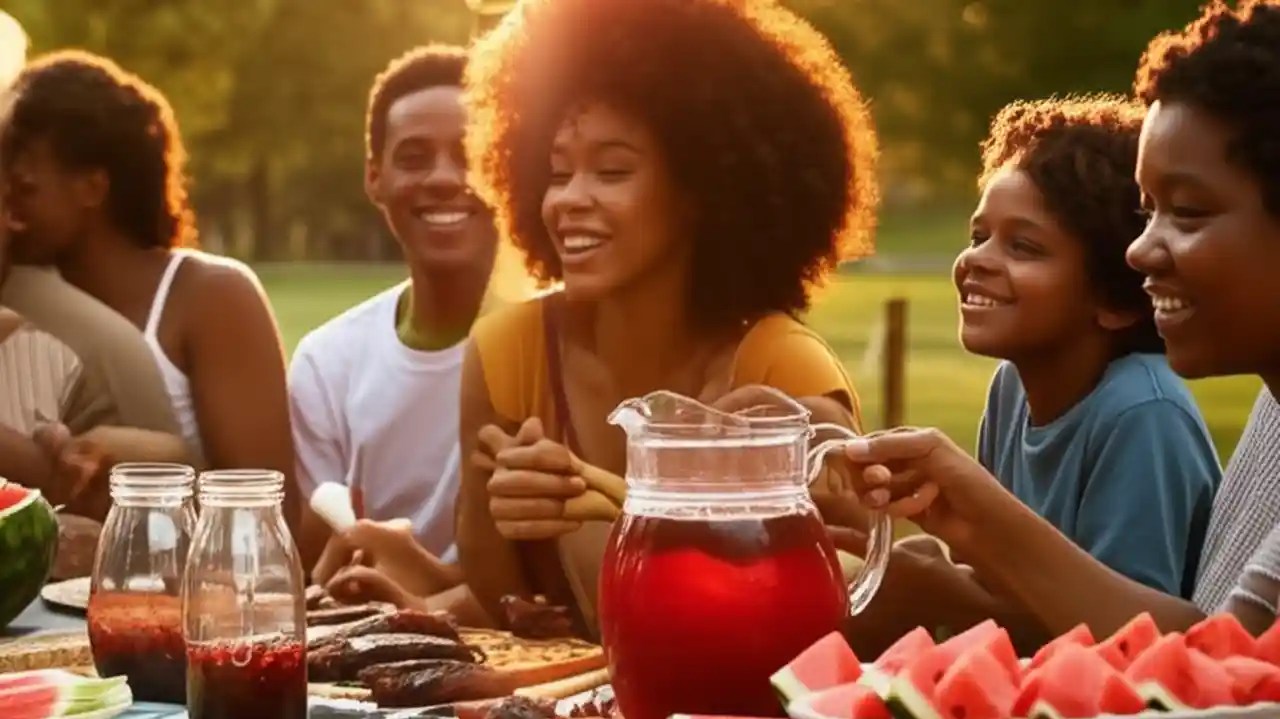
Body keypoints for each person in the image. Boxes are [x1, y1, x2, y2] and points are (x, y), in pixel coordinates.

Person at [843, 0, 1280, 638]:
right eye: (1147, 209)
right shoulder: (1274, 409)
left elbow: (1203, 667)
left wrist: (957, 563)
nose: (1139, 250)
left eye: (1186, 212)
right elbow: (1222, 646)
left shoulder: (1143, 412)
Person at [454, 0, 879, 634]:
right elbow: (497, 602)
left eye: (613, 171)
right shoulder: (507, 351)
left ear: (701, 188)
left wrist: (613, 502)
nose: (570, 200)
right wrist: (500, 508)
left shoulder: (782, 366)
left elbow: (838, 600)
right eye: (558, 172)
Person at [1, 51, 299, 525]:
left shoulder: (210, 296)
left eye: (24, 191)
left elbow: (271, 512)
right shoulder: (24, 299)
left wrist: (149, 462)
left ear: (93, 189)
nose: (10, 215)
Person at [963, 96, 1219, 596]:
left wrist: (935, 588)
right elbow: (992, 576)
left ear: (1115, 300)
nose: (977, 259)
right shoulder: (1011, 388)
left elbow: (1127, 636)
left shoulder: (1143, 414)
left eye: (1024, 247)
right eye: (979, 235)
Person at [292, 45, 499, 588]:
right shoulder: (325, 363)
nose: (443, 178)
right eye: (413, 157)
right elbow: (320, 562)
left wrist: (430, 583)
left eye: (472, 154)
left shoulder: (566, 339)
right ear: (374, 178)